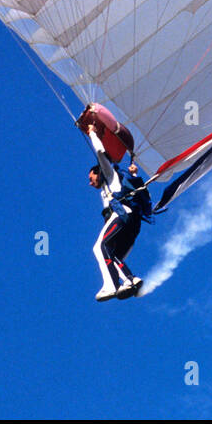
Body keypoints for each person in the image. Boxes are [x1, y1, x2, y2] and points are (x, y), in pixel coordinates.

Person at [83, 125, 151, 301]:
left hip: (123, 214)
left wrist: (92, 132)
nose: (90, 183)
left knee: (99, 247)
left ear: (98, 172)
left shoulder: (110, 175)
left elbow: (100, 153)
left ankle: (112, 285)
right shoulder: (105, 190)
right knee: (111, 256)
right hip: (132, 224)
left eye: (91, 178)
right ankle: (131, 280)